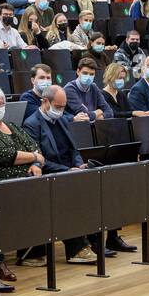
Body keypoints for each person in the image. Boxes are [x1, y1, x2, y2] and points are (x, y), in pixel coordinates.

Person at [22, 85, 99, 264]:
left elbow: (74, 149)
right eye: (58, 106)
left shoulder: (63, 120)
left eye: (63, 107)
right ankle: (77, 248)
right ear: (45, 102)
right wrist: (67, 170)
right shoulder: (31, 124)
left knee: (97, 184)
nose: (61, 110)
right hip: (50, 174)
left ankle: (95, 243)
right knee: (67, 197)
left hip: (70, 171)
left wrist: (79, 165)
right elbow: (40, 160)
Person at [0, 86, 47, 181]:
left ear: (5, 105)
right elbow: (6, 156)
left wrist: (36, 165)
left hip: (30, 178)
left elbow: (35, 147)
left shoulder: (12, 126)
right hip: (2, 184)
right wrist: (35, 157)